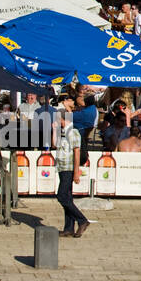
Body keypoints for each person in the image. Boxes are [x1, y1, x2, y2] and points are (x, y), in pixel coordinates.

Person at [54, 96, 89, 238]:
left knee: (62, 196)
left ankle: (82, 220)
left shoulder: (72, 132)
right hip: (62, 168)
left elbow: (76, 152)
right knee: (67, 197)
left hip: (68, 168)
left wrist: (76, 172)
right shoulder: (63, 132)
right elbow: (55, 144)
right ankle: (69, 227)